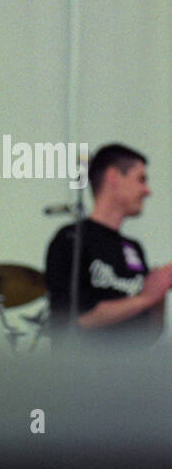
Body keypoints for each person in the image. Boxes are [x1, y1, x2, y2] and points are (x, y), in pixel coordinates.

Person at [45, 143, 172, 344]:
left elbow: (149, 335)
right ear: (113, 176)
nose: (147, 191)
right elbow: (76, 320)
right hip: (85, 372)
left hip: (131, 371)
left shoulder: (133, 248)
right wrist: (145, 298)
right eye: (141, 179)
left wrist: (160, 290)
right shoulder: (71, 239)